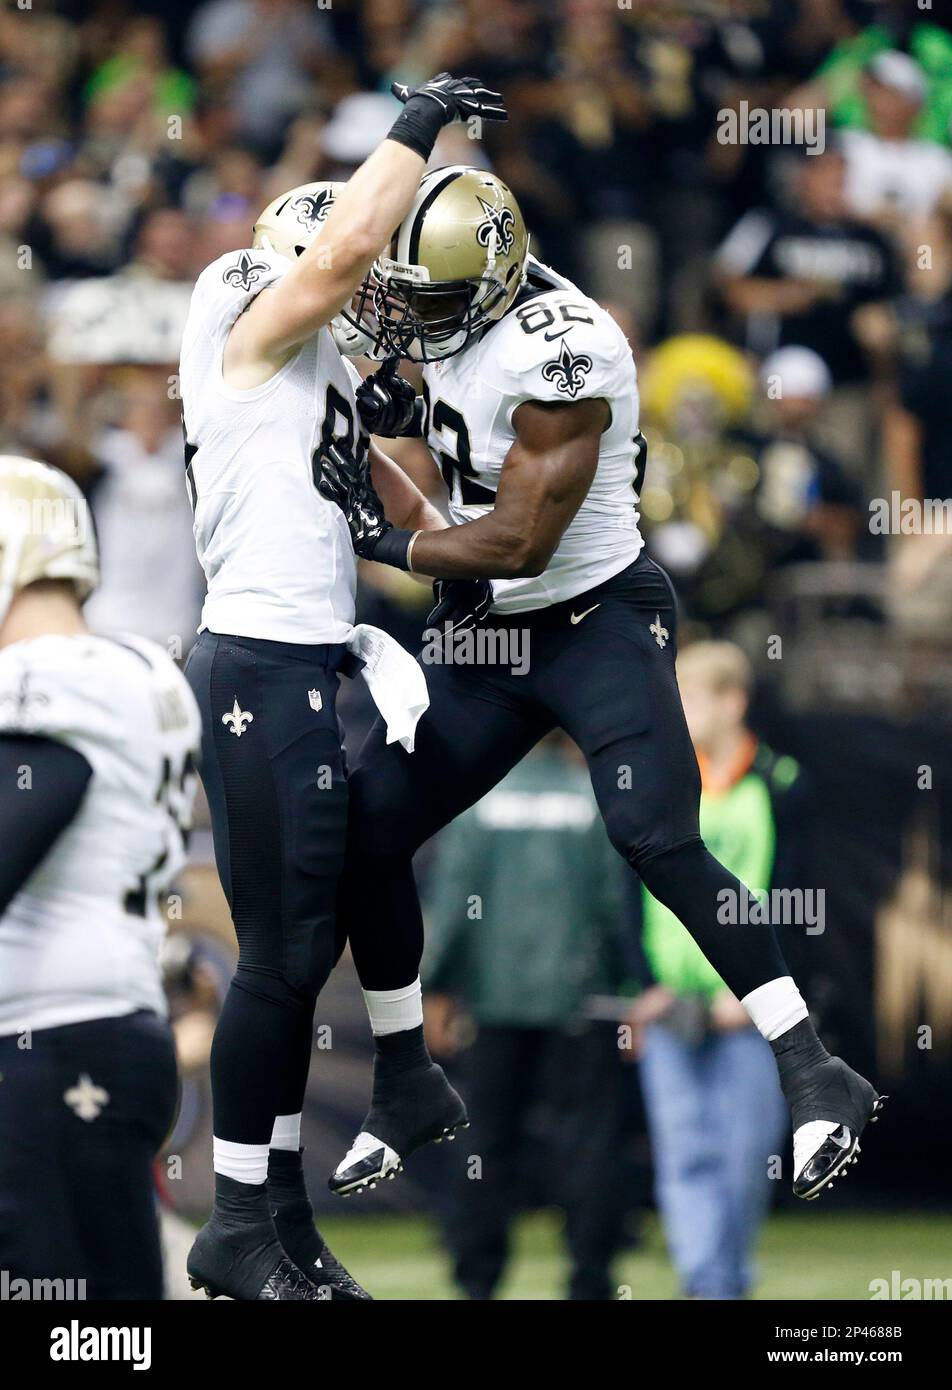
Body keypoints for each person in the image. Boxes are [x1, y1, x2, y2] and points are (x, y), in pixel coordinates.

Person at [316, 165, 882, 1207]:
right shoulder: (456, 301)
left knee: (652, 835)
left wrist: (383, 536)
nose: (418, 319)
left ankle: (812, 1064)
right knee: (369, 826)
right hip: (490, 633)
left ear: (492, 282)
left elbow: (521, 541)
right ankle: (405, 1080)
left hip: (591, 619)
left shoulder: (568, 349)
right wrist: (403, 407)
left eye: (438, 303)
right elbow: (454, 441)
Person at [179, 76, 508, 1301]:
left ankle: (289, 1211)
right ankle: (236, 1221)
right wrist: (418, 126)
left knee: (316, 928)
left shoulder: (314, 369)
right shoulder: (241, 305)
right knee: (274, 960)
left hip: (317, 660)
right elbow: (347, 251)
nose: (362, 301)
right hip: (256, 661)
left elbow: (405, 514)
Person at [0, 455, 200, 1300]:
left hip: (46, 1044)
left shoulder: (44, 676)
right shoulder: (143, 671)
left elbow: (24, 823)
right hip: (118, 1030)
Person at [423, 734, 630, 1301]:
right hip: (582, 1002)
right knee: (590, 1143)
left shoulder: (480, 798)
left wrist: (437, 988)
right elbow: (617, 907)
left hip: (495, 1000)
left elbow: (455, 902)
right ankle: (591, 1276)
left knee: (487, 1142)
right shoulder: (595, 796)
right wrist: (629, 988)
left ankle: (477, 1279)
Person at [628, 641, 800, 1300]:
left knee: (743, 1159)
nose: (680, 709)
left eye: (694, 694)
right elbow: (629, 891)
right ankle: (708, 1286)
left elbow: (798, 898)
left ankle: (726, 1279)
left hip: (748, 1013)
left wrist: (760, 992)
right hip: (672, 1007)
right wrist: (644, 984)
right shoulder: (660, 781)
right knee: (684, 1153)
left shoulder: (781, 786)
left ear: (735, 700)